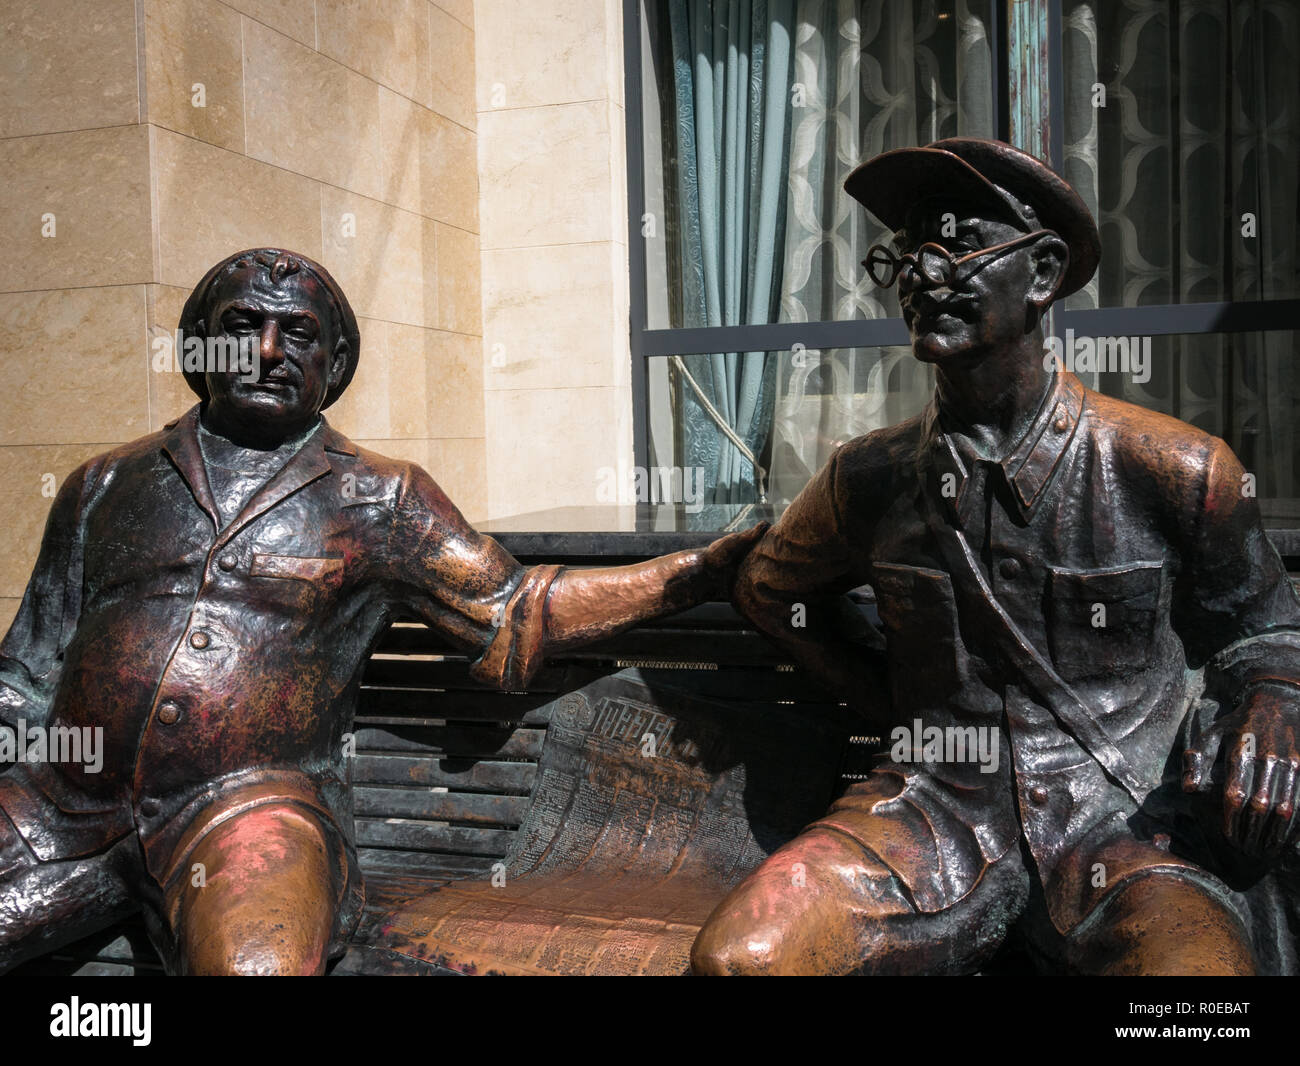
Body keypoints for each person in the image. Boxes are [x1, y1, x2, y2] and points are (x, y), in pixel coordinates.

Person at [0, 247, 763, 976]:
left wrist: (693, 575)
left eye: (297, 334)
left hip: (245, 813)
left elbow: (518, 610)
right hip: (59, 797)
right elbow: (28, 669)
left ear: (332, 368)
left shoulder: (381, 497)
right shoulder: (103, 482)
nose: (266, 352)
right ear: (198, 348)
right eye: (241, 327)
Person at [691, 138, 1300, 976]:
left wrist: (1274, 709)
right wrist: (880, 694)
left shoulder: (1175, 468)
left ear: (1043, 273)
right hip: (926, 812)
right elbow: (770, 592)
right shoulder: (867, 478)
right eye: (905, 256)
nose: (922, 275)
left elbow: (1267, 635)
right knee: (743, 960)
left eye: (956, 245)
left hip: (1127, 824)